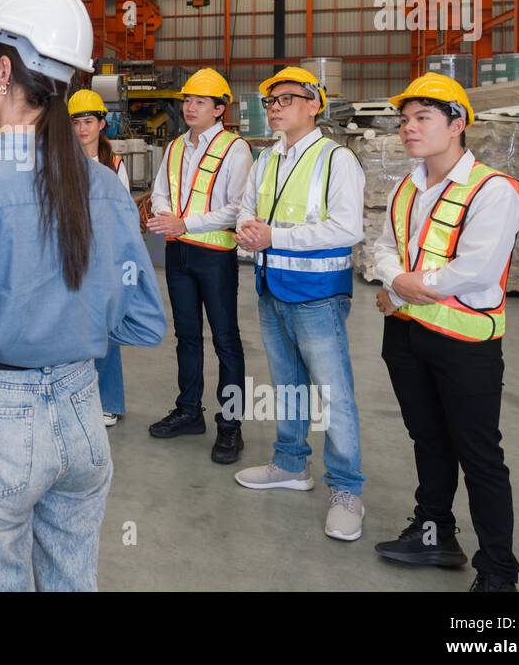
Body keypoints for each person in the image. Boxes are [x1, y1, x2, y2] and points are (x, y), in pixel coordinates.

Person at [0, 0, 166, 592]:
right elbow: (143, 321)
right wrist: (70, 317)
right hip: (82, 415)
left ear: (3, 72)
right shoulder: (105, 186)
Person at [371, 73, 519, 593]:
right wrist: (395, 278)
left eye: (422, 118)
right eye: (405, 120)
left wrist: (411, 284)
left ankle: (499, 572)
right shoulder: (407, 186)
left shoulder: (492, 190)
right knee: (428, 439)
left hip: (465, 345)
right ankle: (434, 532)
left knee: (479, 454)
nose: (408, 128)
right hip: (408, 335)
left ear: (457, 124)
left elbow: (478, 269)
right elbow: (382, 245)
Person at [233, 66, 367, 542]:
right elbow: (247, 207)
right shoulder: (266, 159)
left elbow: (348, 228)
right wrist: (250, 230)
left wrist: (275, 237)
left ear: (314, 105)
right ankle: (291, 464)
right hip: (271, 287)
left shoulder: (337, 160)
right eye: (270, 99)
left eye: (287, 98)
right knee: (287, 384)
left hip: (318, 295)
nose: (274, 106)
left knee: (333, 394)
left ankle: (348, 490)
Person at [143, 68, 252, 464]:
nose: (189, 107)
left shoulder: (234, 148)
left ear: (219, 109)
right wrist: (165, 214)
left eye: (200, 101)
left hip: (215, 256)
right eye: (187, 100)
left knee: (226, 342)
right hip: (178, 254)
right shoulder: (174, 147)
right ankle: (189, 411)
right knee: (186, 336)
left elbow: (237, 208)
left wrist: (185, 222)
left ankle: (230, 426)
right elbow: (159, 193)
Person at [68, 87, 130, 427]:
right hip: (70, 255)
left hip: (103, 259)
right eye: (76, 122)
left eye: (88, 121)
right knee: (70, 331)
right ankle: (74, 398)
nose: (82, 129)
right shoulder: (61, 163)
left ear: (102, 124)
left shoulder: (114, 165)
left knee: (106, 333)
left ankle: (108, 401)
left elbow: (121, 216)